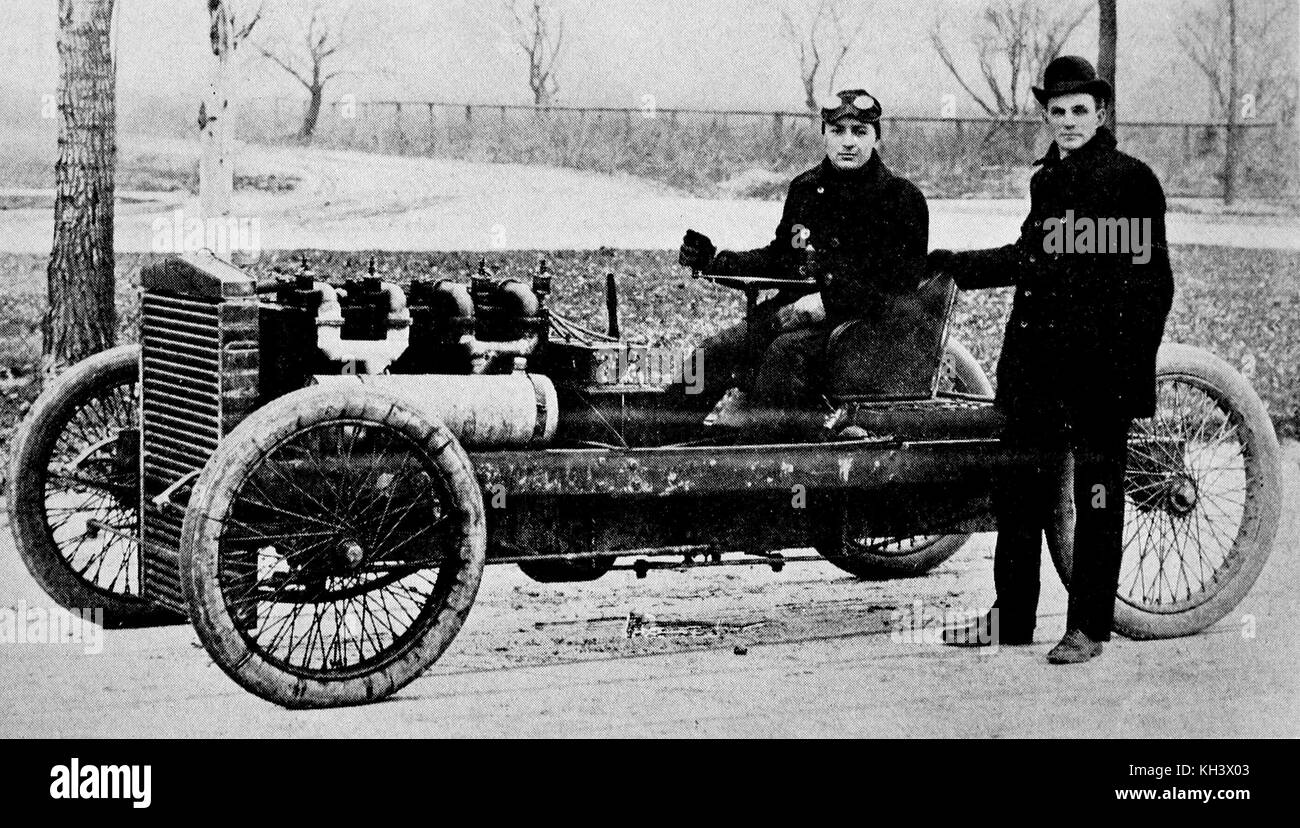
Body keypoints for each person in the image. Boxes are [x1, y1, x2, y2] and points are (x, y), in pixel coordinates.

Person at [929, 56, 1175, 663]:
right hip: (1035, 364)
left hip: (1098, 370)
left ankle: (1088, 626)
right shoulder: (1047, 181)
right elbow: (1029, 257)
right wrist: (955, 264)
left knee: (1096, 496)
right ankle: (1012, 616)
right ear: (1046, 114)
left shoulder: (1130, 181)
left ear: (1101, 113)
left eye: (1079, 111)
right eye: (1057, 112)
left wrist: (1126, 370)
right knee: (1019, 491)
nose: (1068, 122)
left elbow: (1153, 287)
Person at [677, 88, 929, 414]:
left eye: (860, 132)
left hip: (864, 332)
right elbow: (783, 258)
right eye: (838, 131)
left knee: (783, 355)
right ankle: (655, 443)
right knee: (713, 352)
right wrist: (716, 262)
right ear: (825, 134)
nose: (848, 142)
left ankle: (766, 455)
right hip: (797, 317)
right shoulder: (806, 189)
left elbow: (901, 287)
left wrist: (829, 301)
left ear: (876, 138)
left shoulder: (902, 201)